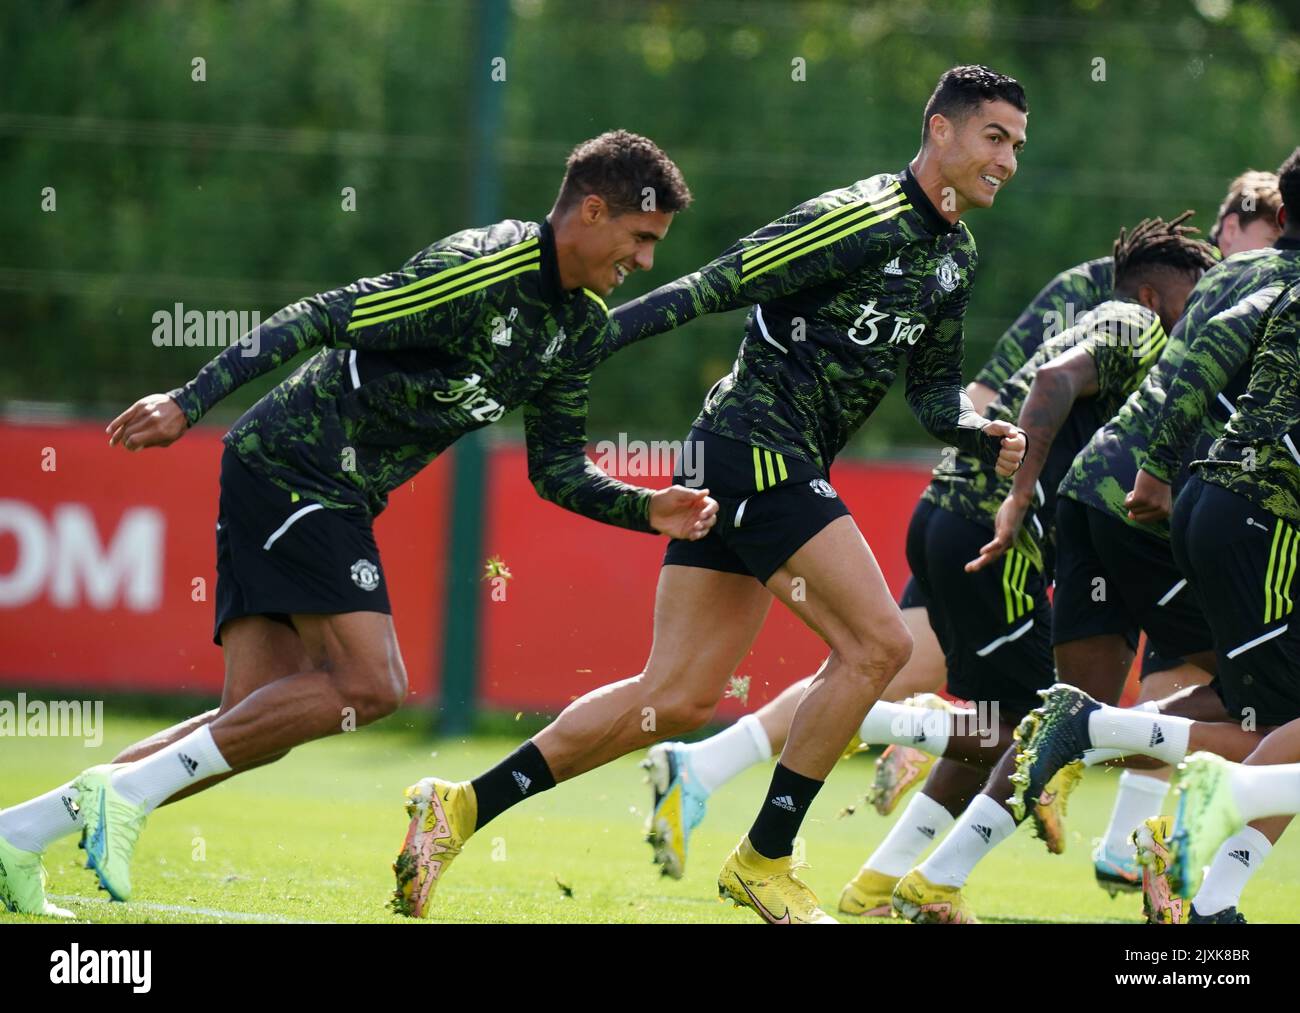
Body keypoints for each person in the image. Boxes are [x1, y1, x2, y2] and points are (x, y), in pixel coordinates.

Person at [0, 130, 707, 916]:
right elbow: (325, 314)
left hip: (328, 487)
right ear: (594, 210)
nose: (646, 262)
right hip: (295, 464)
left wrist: (644, 508)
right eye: (641, 239)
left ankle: (19, 833)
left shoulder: (577, 326)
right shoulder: (480, 268)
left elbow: (556, 469)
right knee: (373, 684)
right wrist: (188, 400)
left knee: (247, 728)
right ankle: (120, 795)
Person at [393, 65, 1028, 924]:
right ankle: (766, 856)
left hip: (755, 461)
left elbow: (933, 388)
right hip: (754, 451)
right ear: (940, 131)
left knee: (680, 695)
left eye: (1018, 146)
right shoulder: (860, 216)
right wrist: (588, 344)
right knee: (877, 647)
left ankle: (461, 806)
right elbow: (717, 282)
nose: (1008, 161)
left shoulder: (954, 256)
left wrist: (974, 430)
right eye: (994, 138)